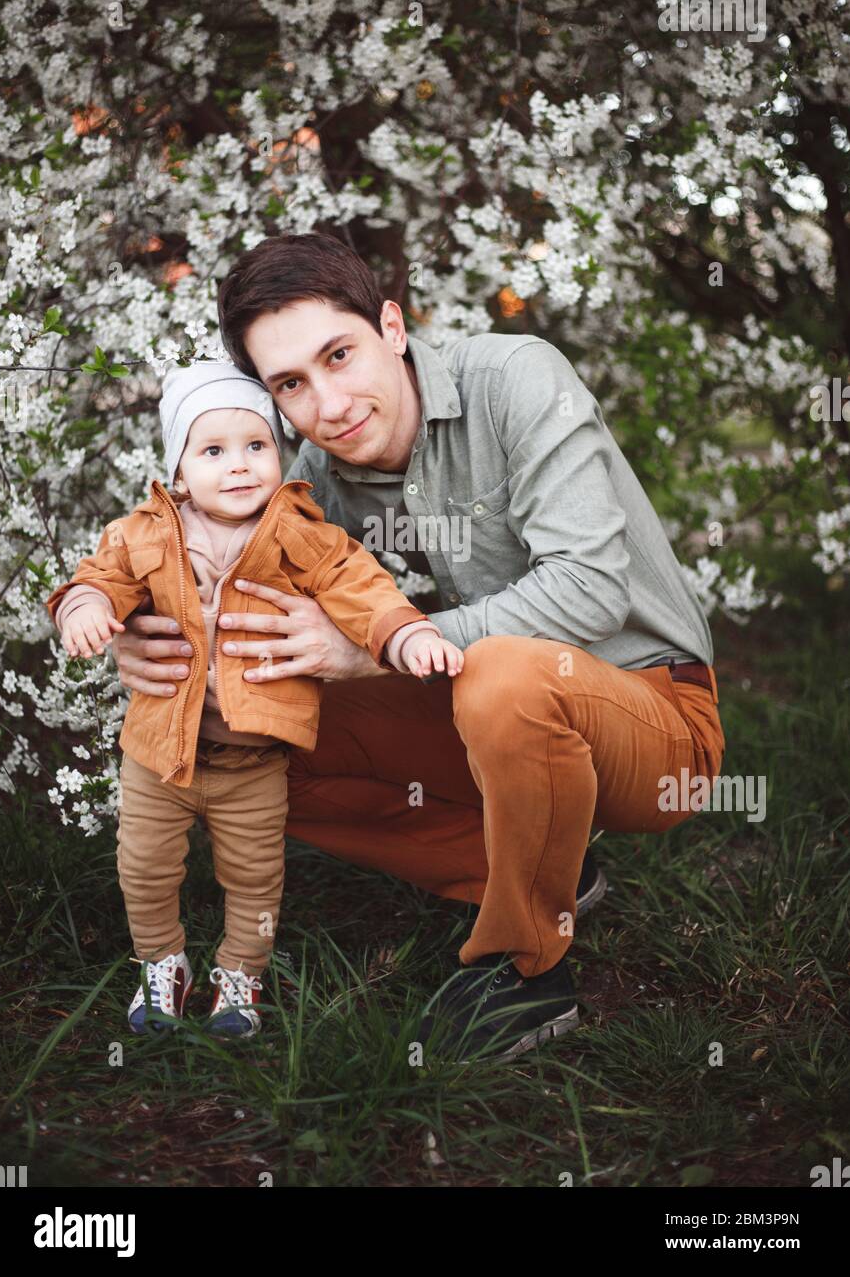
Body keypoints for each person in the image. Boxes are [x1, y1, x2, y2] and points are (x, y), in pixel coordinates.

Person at [111, 232, 726, 1063]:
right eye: (291, 384)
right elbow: (238, 616)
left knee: (503, 672)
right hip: (491, 709)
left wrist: (383, 650)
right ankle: (535, 869)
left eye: (339, 355)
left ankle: (523, 962)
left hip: (656, 720)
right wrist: (149, 648)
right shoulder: (315, 484)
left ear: (392, 328)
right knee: (255, 727)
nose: (328, 403)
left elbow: (589, 585)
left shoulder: (515, 378)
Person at [44, 359, 462, 1039]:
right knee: (144, 868)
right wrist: (83, 609)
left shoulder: (296, 531)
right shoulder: (147, 532)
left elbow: (360, 585)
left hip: (253, 763)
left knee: (254, 877)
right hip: (160, 755)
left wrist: (405, 633)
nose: (238, 465)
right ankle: (162, 962)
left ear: (279, 453)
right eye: (213, 451)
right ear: (179, 471)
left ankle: (240, 974)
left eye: (256, 446)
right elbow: (100, 578)